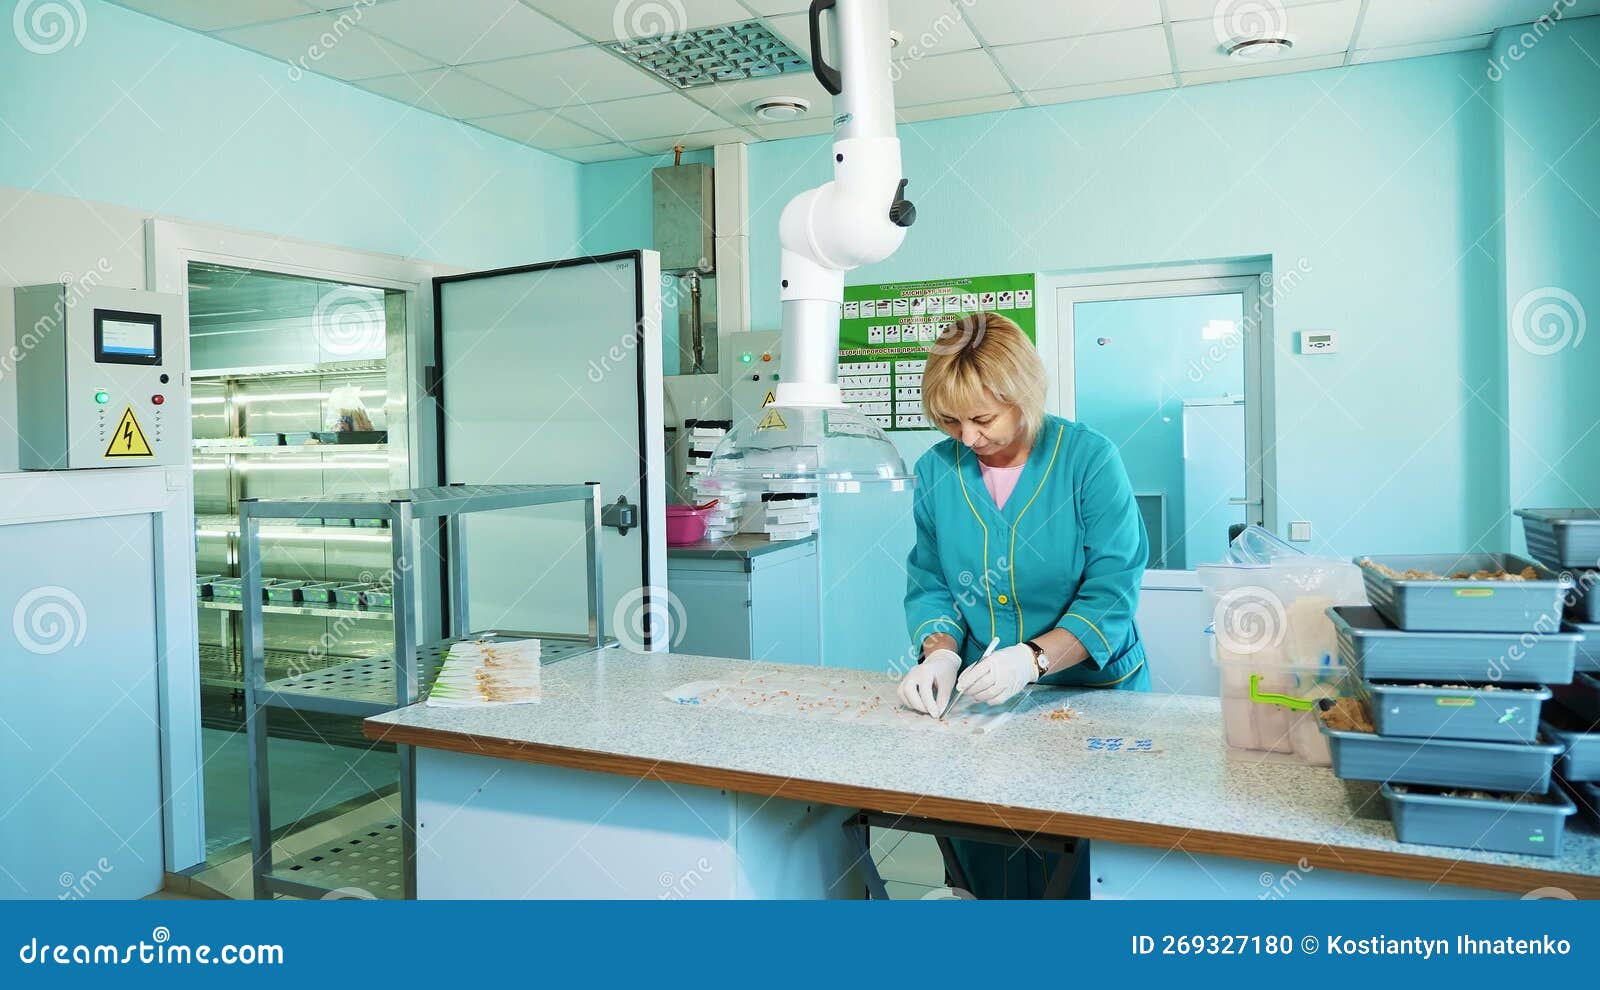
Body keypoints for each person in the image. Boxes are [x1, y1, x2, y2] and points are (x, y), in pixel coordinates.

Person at [896, 311, 1150, 898]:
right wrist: (939, 656)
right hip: (988, 702)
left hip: (1094, 695)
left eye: (982, 418)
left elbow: (1111, 591)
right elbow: (931, 578)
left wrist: (1032, 661)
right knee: (987, 855)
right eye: (950, 420)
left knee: (1081, 864)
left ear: (1024, 396)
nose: (967, 437)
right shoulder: (939, 470)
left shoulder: (1087, 459)